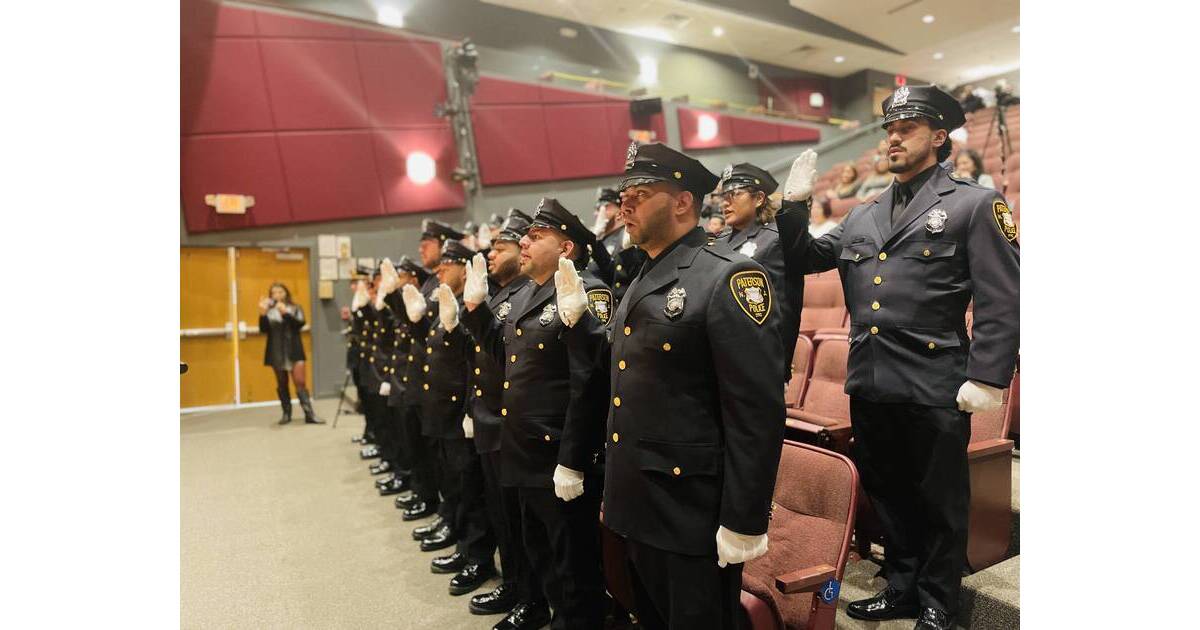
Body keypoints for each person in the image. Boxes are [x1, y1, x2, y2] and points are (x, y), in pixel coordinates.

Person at [774, 85, 1020, 630]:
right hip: (871, 377)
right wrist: (794, 207)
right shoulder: (865, 213)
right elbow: (803, 256)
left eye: (906, 129)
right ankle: (903, 586)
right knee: (888, 493)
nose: (893, 138)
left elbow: (1004, 295)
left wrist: (987, 376)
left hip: (936, 380)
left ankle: (939, 600)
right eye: (889, 130)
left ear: (938, 136)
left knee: (939, 500)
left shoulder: (974, 204)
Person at [556, 142, 785, 630]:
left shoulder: (729, 276)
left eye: (639, 194)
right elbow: (628, 374)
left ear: (682, 202)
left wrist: (744, 519)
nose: (625, 205)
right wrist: (581, 327)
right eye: (623, 196)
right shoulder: (643, 276)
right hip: (637, 501)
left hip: (689, 512)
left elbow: (756, 411)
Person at [462, 198, 611, 630]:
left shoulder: (585, 290)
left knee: (574, 569)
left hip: (559, 455)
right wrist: (477, 314)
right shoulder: (529, 292)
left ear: (566, 248)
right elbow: (507, 358)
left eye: (536, 236)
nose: (524, 242)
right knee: (543, 556)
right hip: (525, 452)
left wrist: (574, 459)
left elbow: (592, 383)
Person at [462, 210, 542, 620]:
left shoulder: (529, 292)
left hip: (513, 421)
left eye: (501, 246)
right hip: (490, 417)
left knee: (519, 519)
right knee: (502, 514)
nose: (492, 254)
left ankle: (529, 596)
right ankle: (514, 585)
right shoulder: (500, 294)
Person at [714, 162, 802, 380]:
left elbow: (784, 307)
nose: (725, 202)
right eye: (724, 196)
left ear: (759, 198)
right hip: (721, 354)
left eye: (734, 194)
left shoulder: (774, 239)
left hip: (758, 359)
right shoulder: (718, 242)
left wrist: (778, 364)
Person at [259, 282, 323, 424]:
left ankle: (309, 414)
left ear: (286, 293)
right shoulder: (268, 311)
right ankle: (286, 414)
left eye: (280, 292)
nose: (277, 295)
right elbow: (263, 329)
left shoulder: (295, 307)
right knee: (282, 383)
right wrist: (262, 315)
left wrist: (285, 313)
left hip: (294, 349)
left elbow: (300, 324)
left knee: (300, 382)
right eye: (274, 293)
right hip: (276, 350)